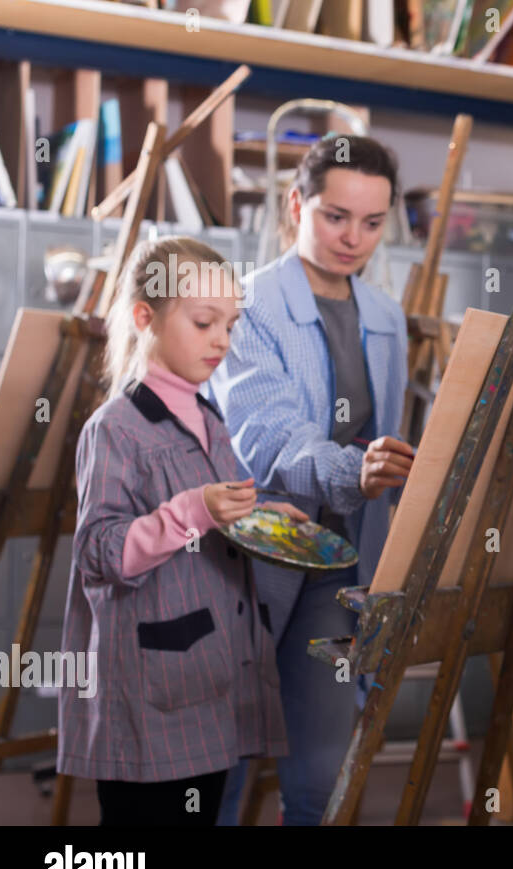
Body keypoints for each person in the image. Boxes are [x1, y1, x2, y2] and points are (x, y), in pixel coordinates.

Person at [210, 135, 413, 825]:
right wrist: (355, 469)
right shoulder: (248, 304)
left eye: (372, 222)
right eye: (334, 215)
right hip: (254, 557)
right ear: (297, 204)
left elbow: (389, 438)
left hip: (342, 565)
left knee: (324, 768)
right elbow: (269, 439)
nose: (353, 238)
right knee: (225, 751)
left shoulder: (386, 316)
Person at [59, 236, 296, 826]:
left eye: (230, 324)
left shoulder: (209, 415)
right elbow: (100, 551)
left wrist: (260, 514)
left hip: (210, 682)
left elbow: (214, 509)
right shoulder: (115, 428)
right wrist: (195, 509)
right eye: (203, 322)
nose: (222, 339)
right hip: (151, 695)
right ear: (146, 317)